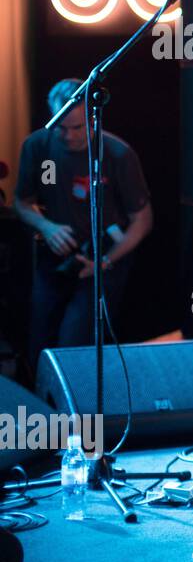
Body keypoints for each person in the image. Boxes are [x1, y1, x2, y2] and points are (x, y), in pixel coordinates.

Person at [13, 79, 152, 364]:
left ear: (93, 117)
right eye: (61, 127)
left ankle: (76, 407)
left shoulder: (118, 154)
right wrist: (47, 227)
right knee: (38, 340)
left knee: (74, 341)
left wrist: (105, 262)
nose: (68, 136)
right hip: (55, 257)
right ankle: (40, 406)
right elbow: (21, 202)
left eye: (77, 128)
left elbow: (142, 220)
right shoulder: (37, 146)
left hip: (103, 258)